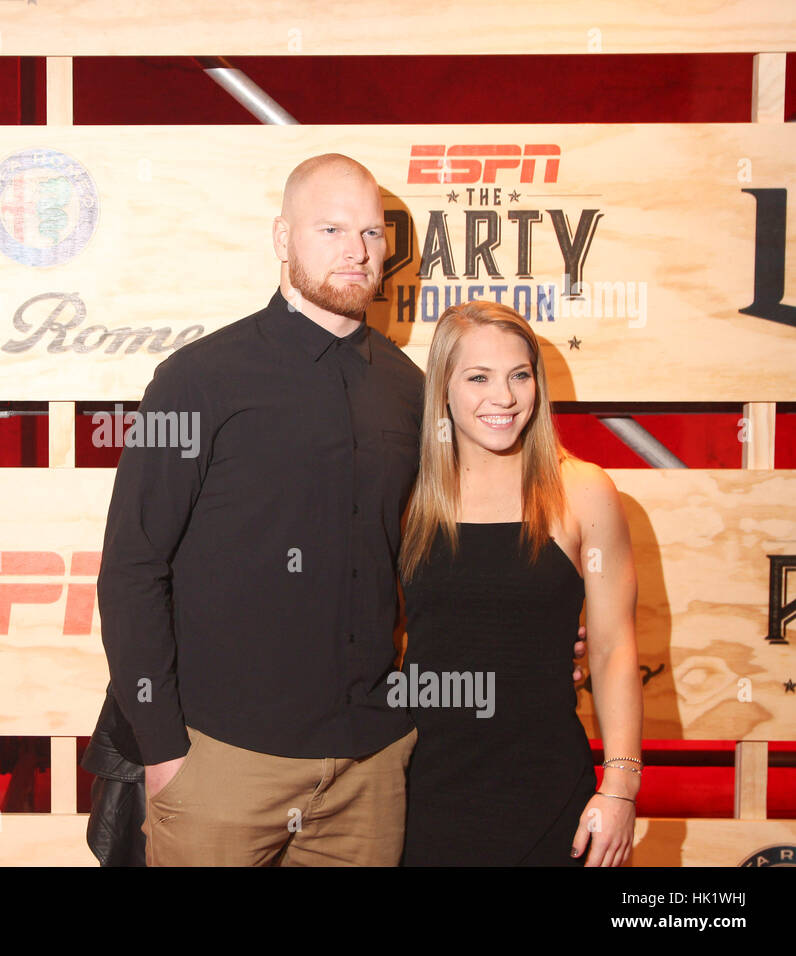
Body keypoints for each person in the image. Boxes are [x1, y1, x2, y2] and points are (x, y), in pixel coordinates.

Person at [95, 153, 420, 866]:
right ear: (282, 238)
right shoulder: (194, 379)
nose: (355, 252)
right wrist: (164, 751)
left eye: (371, 233)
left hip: (368, 768)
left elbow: (430, 561)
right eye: (330, 229)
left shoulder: (408, 387)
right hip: (221, 764)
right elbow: (130, 567)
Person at [396, 300, 642, 867]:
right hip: (424, 793)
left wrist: (620, 788)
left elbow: (611, 650)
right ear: (445, 389)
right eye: (478, 377)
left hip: (550, 792)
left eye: (519, 375)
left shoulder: (582, 491)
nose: (503, 397)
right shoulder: (408, 495)